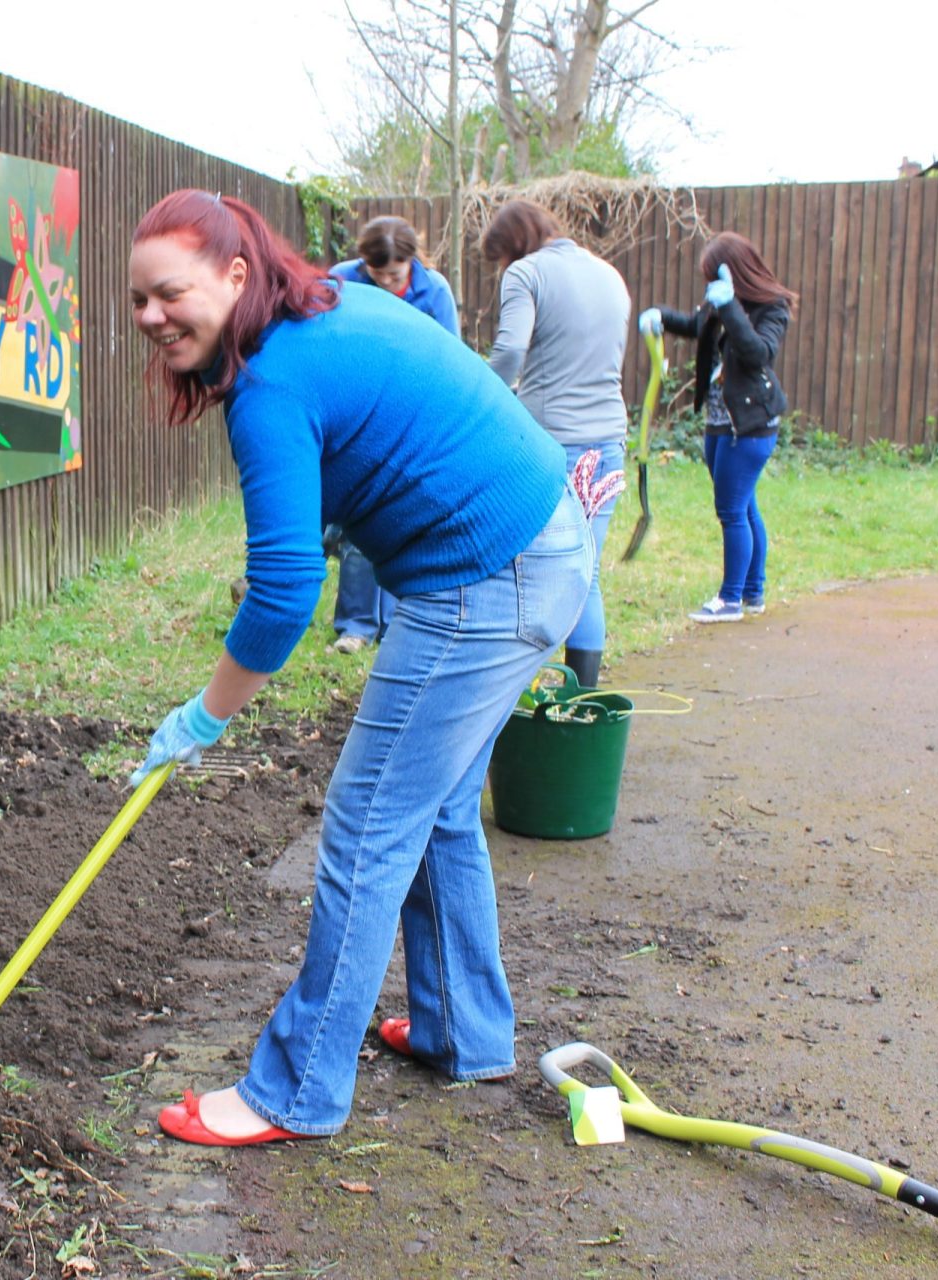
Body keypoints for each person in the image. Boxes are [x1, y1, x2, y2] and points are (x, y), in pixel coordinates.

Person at [125, 190, 592, 1145]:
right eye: (138, 301)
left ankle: (294, 1092)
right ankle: (464, 1031)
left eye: (168, 294)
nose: (150, 319)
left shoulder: (270, 387)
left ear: (236, 275)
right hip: (543, 546)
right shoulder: (319, 306)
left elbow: (288, 587)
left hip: (489, 576)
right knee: (437, 807)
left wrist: (205, 717)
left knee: (368, 822)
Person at [481, 200, 631, 689]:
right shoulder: (610, 275)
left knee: (527, 573)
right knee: (584, 574)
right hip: (607, 444)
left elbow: (509, 352)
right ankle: (580, 700)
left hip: (552, 448)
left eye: (500, 258)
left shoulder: (527, 273)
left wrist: (474, 395)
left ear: (512, 247)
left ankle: (510, 691)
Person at [323, 216, 462, 654]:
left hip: (414, 417)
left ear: (411, 262)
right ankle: (357, 627)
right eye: (376, 273)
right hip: (359, 412)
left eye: (395, 274)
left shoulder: (434, 291)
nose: (385, 282)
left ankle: (401, 623)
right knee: (361, 520)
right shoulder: (341, 281)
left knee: (405, 518)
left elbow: (449, 358)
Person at [640, 232, 796, 623]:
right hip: (718, 423)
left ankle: (730, 600)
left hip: (751, 427)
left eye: (713, 277)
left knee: (731, 511)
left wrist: (730, 308)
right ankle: (752, 593)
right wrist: (661, 316)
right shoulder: (721, 301)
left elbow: (759, 353)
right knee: (745, 507)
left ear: (737, 272)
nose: (709, 285)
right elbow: (697, 327)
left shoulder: (773, 307)